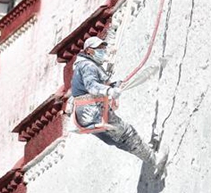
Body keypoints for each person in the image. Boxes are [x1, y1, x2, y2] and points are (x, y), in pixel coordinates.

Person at [71, 36, 167, 177]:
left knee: (116, 138)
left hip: (85, 115)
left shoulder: (84, 66)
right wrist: (109, 91)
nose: (103, 52)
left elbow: (102, 84)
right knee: (125, 133)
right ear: (90, 51)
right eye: (100, 50)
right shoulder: (87, 66)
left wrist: (116, 85)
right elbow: (92, 86)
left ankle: (146, 152)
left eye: (103, 49)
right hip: (92, 110)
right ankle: (154, 159)